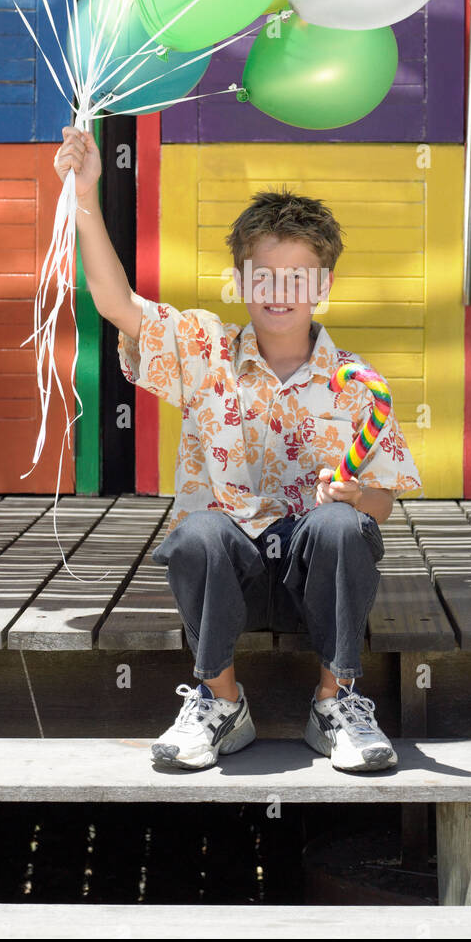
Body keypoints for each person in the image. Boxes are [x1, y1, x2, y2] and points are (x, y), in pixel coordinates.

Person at [54, 125, 423, 772]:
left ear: (324, 285)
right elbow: (116, 304)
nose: (280, 291)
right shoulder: (203, 349)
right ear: (241, 282)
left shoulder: (357, 384)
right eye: (265, 275)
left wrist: (357, 494)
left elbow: (383, 506)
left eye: (298, 276)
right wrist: (85, 197)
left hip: (316, 580)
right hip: (230, 579)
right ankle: (220, 701)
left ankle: (336, 702)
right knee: (197, 531)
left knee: (343, 525)